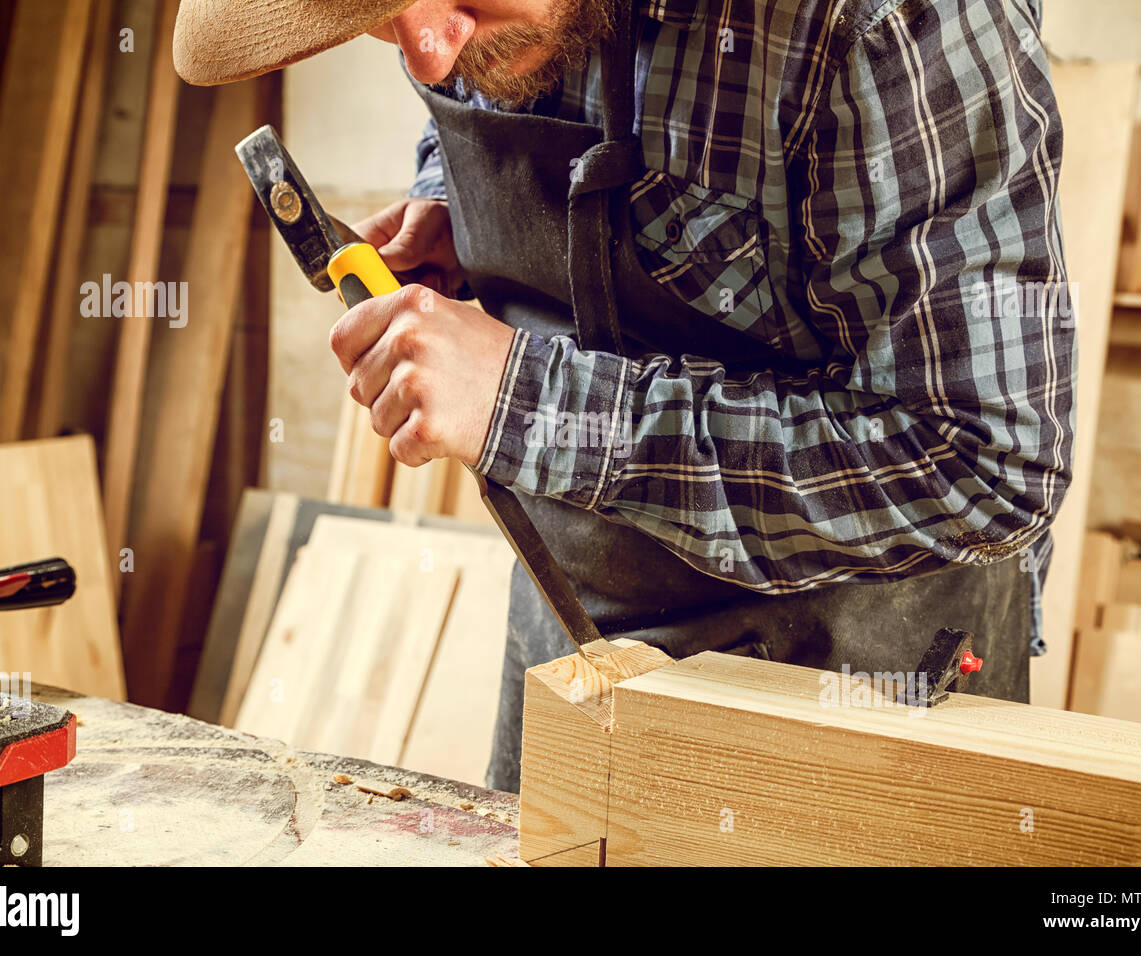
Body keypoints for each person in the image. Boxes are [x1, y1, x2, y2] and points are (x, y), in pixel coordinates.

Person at [175, 0, 1075, 792]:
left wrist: (525, 405)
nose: (429, 54)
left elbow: (985, 463)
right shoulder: (464, 31)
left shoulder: (883, 22)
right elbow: (474, 102)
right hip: (576, 639)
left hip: (856, 690)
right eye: (382, 20)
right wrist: (460, 211)